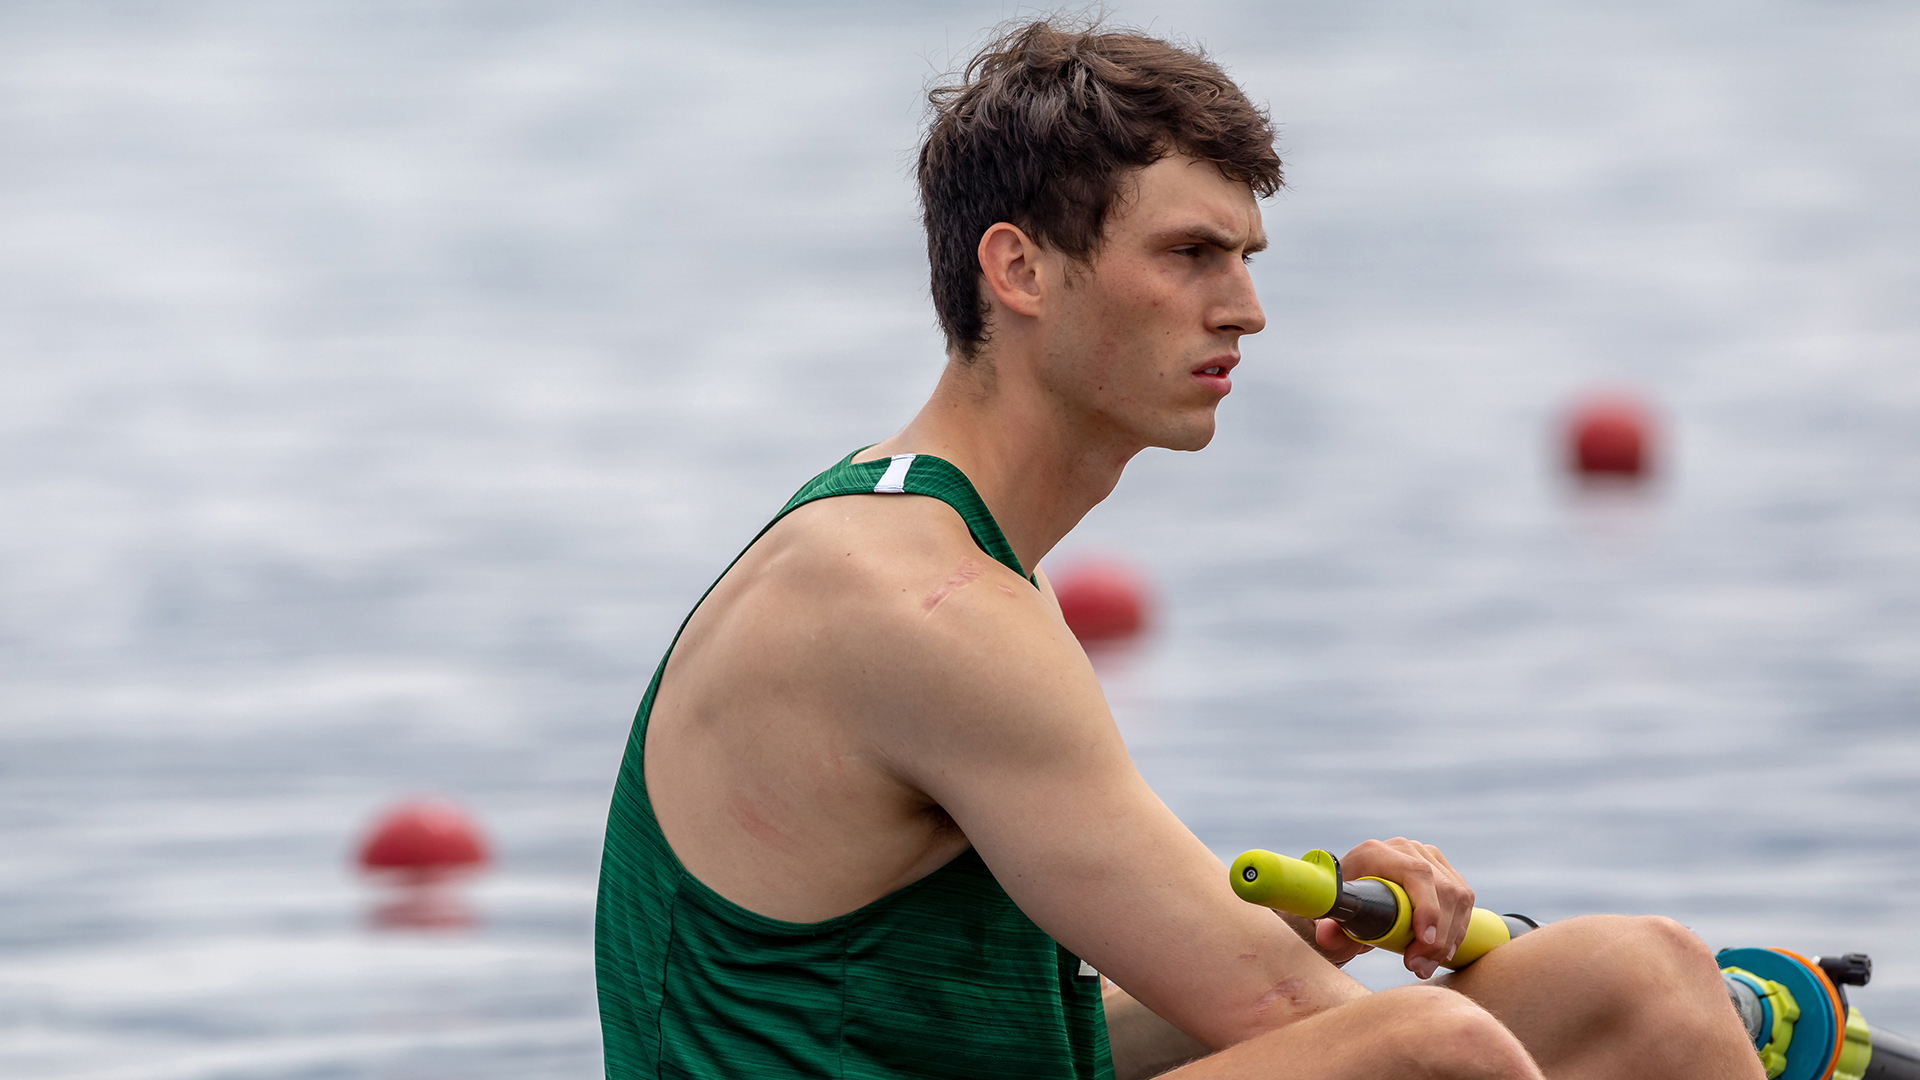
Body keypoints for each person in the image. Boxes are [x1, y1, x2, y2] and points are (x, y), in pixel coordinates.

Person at [596, 19, 1762, 1080]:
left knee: (1643, 979)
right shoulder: (928, 609)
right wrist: (1294, 976)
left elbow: (1049, 1039)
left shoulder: (933, 543)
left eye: (1246, 255)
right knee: (1434, 1054)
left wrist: (1308, 932)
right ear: (1018, 270)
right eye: (1191, 253)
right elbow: (1302, 1023)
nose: (1245, 307)